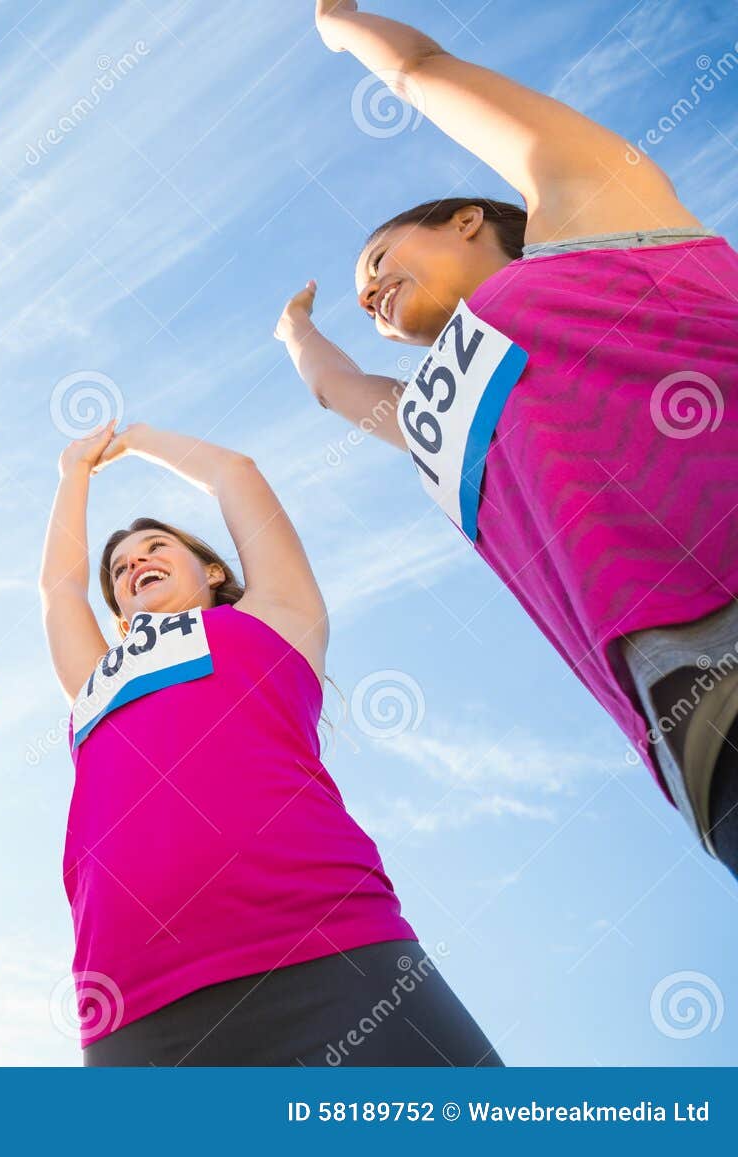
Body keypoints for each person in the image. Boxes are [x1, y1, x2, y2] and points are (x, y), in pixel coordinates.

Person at [274, 1, 738, 873]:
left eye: (378, 262)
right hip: (694, 724)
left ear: (465, 221)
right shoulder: (440, 417)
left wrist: (338, 23)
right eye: (362, 298)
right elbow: (340, 392)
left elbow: (420, 71)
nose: (369, 295)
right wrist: (294, 334)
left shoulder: (589, 216)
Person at [39, 420, 499, 1066]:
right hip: (137, 1006)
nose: (135, 561)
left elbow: (236, 473)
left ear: (214, 568)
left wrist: (136, 437)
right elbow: (59, 589)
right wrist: (73, 474)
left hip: (331, 953)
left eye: (154, 546)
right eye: (118, 567)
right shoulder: (95, 681)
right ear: (118, 614)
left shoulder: (274, 615)